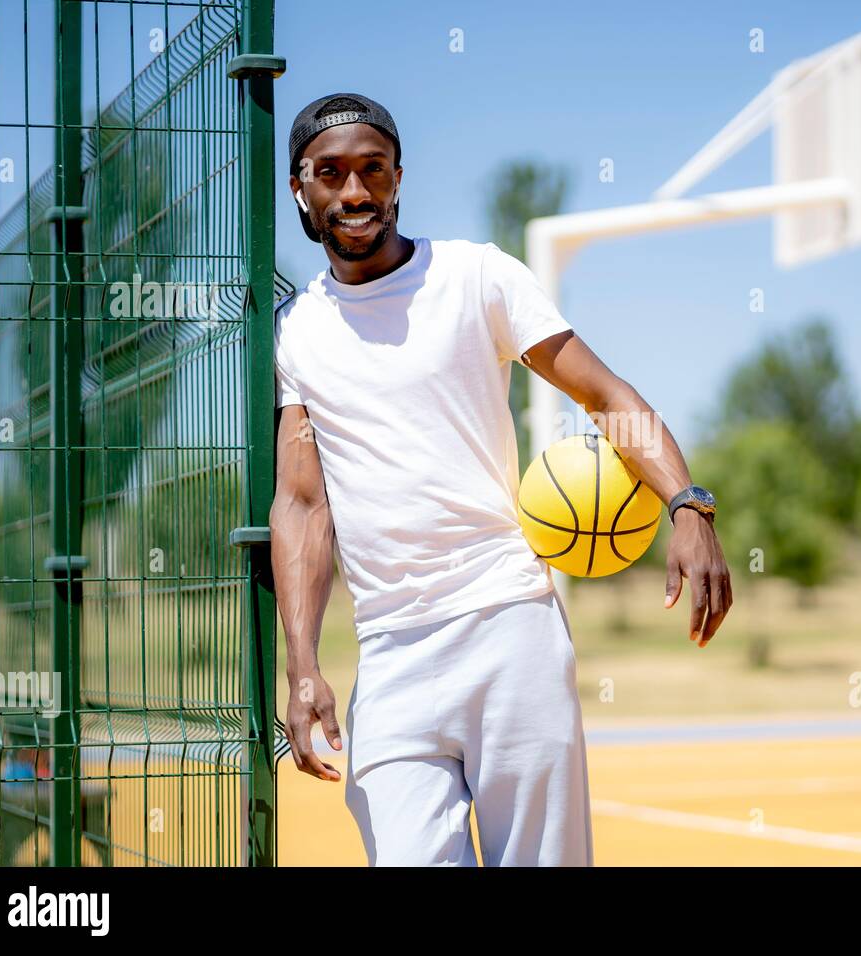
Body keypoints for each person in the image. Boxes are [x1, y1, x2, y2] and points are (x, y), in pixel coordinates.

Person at [271, 93, 733, 866]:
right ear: (301, 188)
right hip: (390, 654)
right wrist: (303, 665)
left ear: (397, 179)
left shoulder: (474, 276)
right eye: (331, 173)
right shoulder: (295, 332)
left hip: (509, 628)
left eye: (372, 170)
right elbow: (303, 502)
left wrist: (687, 505)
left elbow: (605, 395)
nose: (354, 192)